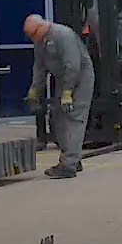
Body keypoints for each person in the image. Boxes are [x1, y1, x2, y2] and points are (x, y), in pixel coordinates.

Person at [23, 14, 93, 178]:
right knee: (58, 117)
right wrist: (34, 91)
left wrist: (67, 92)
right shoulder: (40, 42)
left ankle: (68, 165)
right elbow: (39, 68)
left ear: (42, 27)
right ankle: (73, 158)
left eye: (33, 35)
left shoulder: (64, 35)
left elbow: (72, 65)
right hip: (63, 80)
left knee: (74, 118)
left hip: (80, 78)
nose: (32, 39)